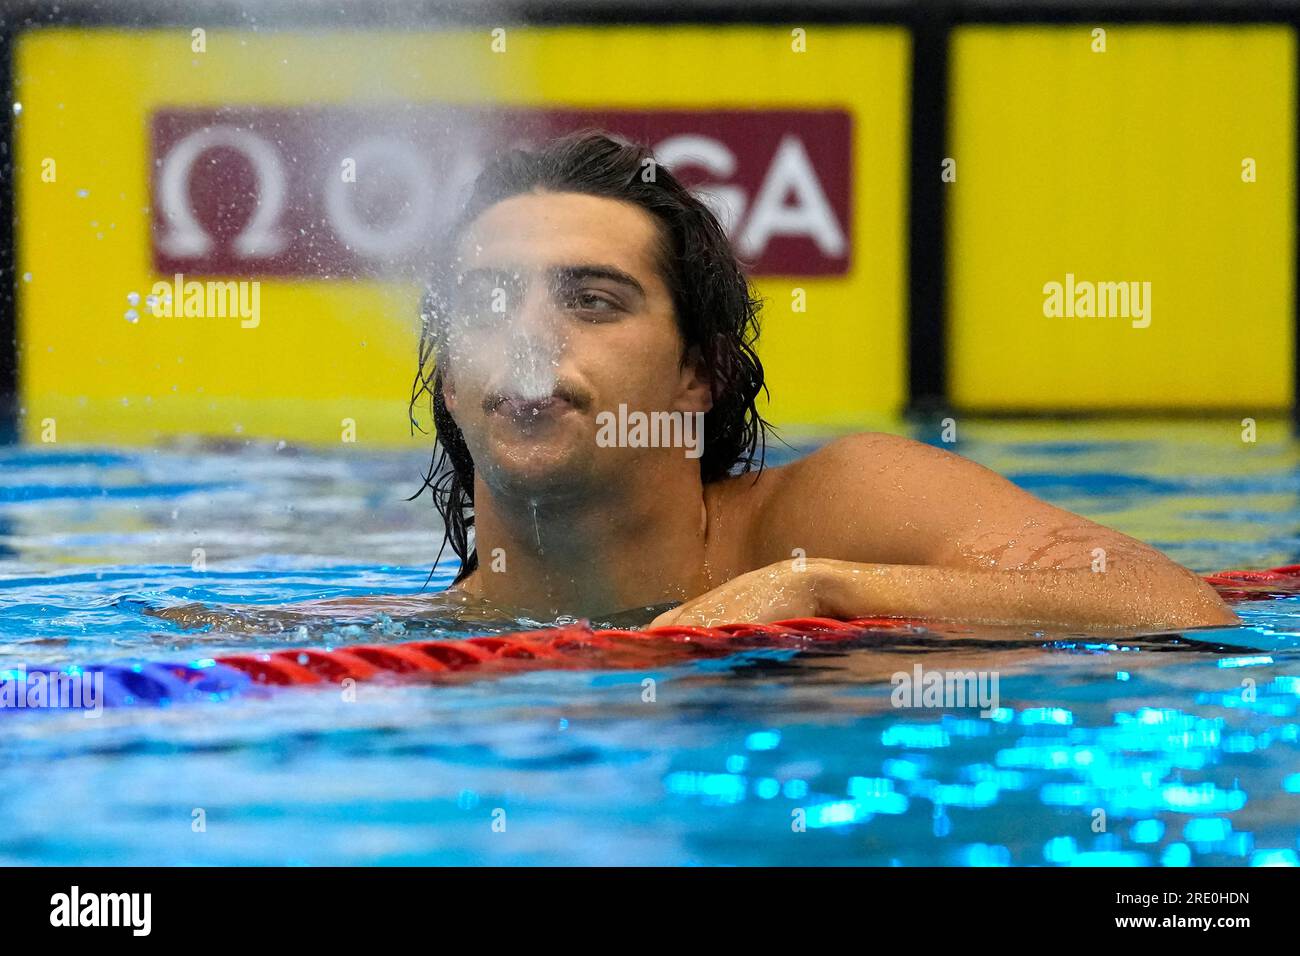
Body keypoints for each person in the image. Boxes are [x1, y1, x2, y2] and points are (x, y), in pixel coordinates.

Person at [403, 129, 1239, 633]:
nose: (529, 337)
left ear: (700, 374)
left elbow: (1177, 607)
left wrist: (821, 588)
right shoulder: (401, 659)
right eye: (487, 303)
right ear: (447, 381)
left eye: (592, 300)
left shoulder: (828, 520)